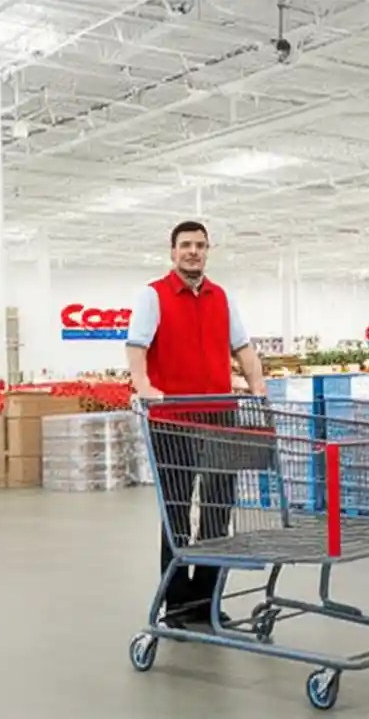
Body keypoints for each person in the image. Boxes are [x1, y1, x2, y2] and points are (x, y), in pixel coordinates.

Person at [125, 219, 267, 628]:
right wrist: (145, 386)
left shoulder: (221, 297)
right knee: (176, 512)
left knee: (217, 512)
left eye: (200, 245)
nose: (193, 251)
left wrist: (257, 386)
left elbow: (243, 347)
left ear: (207, 251)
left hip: (220, 415)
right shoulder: (153, 295)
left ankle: (206, 599)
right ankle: (178, 605)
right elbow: (137, 347)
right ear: (173, 252)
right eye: (186, 245)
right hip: (173, 418)